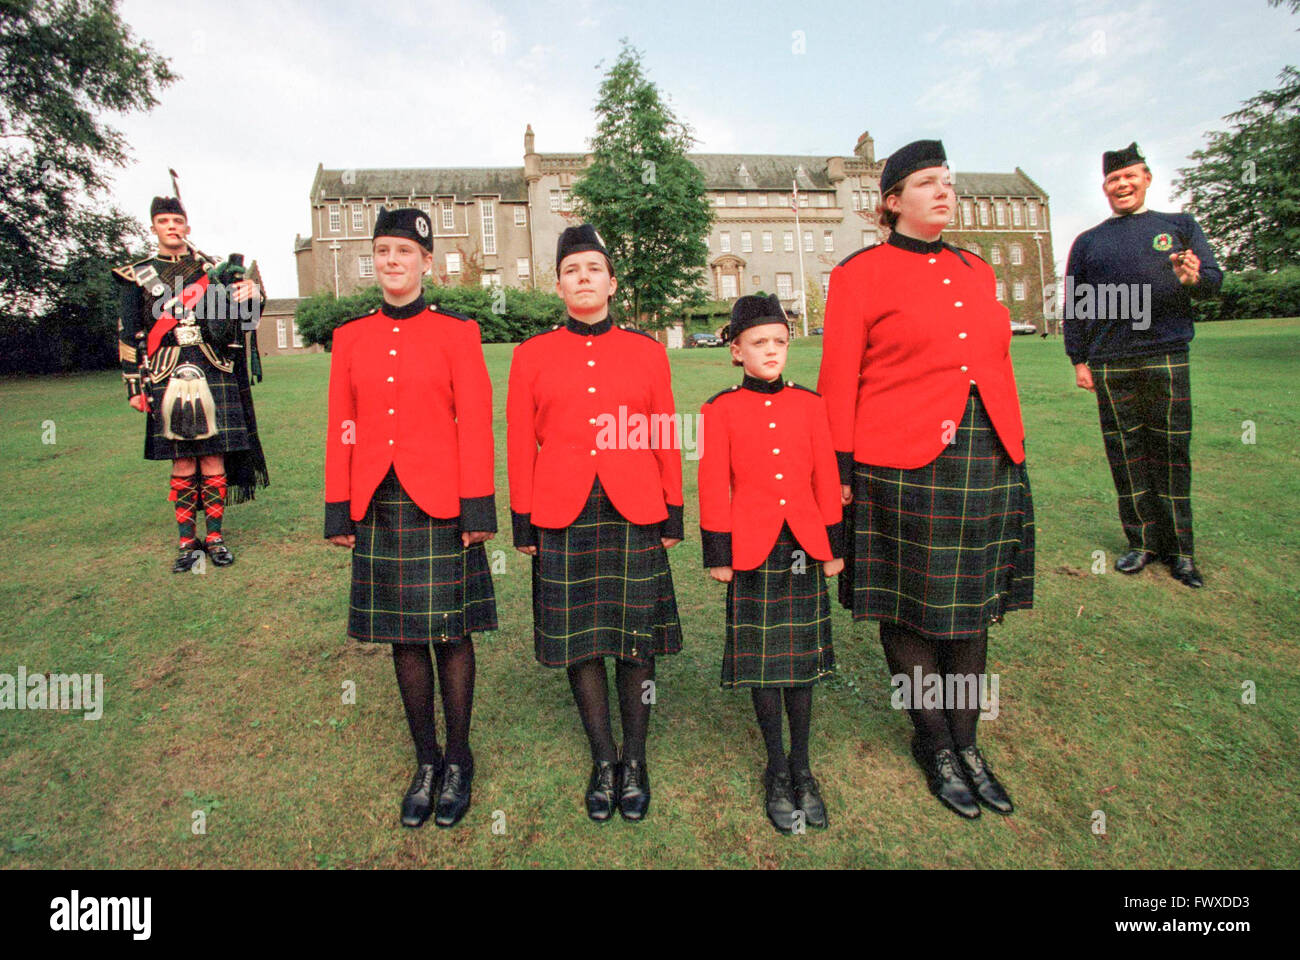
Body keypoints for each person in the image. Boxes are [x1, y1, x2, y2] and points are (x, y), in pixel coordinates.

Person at [818, 140, 1034, 820]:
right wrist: (842, 469)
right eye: (926, 183)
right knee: (908, 606)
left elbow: (992, 361)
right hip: (898, 460)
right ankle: (934, 744)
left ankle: (967, 746)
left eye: (949, 182)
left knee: (972, 604)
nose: (944, 192)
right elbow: (837, 379)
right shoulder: (860, 274)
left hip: (984, 452)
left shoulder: (976, 270)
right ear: (891, 201)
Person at [324, 207, 497, 829]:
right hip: (379, 502)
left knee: (450, 631)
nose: (391, 261)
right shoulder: (350, 337)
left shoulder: (458, 332)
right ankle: (425, 761)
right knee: (403, 635)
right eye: (382, 251)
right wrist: (338, 505)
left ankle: (459, 757)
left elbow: (476, 421)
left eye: (403, 251)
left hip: (444, 502)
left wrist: (478, 506)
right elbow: (341, 425)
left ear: (427, 261)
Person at [507, 224, 684, 823]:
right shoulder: (531, 355)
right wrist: (523, 521)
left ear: (611, 281)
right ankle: (602, 757)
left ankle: (635, 759)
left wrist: (672, 511)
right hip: (562, 510)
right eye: (571, 271)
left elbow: (664, 433)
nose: (583, 279)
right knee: (580, 641)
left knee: (636, 641)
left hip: (635, 509)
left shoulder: (647, 351)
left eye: (593, 269)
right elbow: (518, 442)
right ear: (558, 285)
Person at [698, 293, 844, 834]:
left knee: (800, 664)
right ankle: (776, 770)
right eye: (759, 343)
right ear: (736, 350)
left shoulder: (811, 405)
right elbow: (713, 483)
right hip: (752, 551)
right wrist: (719, 554)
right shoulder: (720, 410)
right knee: (764, 663)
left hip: (804, 548)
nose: (771, 351)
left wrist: (833, 550)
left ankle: (804, 767)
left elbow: (826, 480)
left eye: (779, 342)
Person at [1064, 142, 1222, 589]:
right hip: (1111, 360)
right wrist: (1079, 359)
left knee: (1171, 451)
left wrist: (1194, 278)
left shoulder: (1179, 226)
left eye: (1130, 176)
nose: (1122, 185)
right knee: (1126, 453)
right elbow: (1076, 306)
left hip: (1166, 351)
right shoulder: (1089, 241)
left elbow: (1211, 280)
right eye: (1114, 179)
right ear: (1105, 188)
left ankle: (1181, 552)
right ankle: (1142, 543)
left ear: (1147, 178)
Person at [112, 195, 269, 572]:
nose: (171, 226)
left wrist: (255, 295)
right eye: (163, 220)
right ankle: (187, 543)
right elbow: (128, 332)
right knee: (182, 461)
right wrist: (135, 387)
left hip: (212, 367)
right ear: (153, 227)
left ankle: (214, 538)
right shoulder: (137, 275)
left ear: (187, 227)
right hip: (166, 371)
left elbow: (242, 319)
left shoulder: (212, 269)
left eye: (176, 220)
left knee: (214, 457)